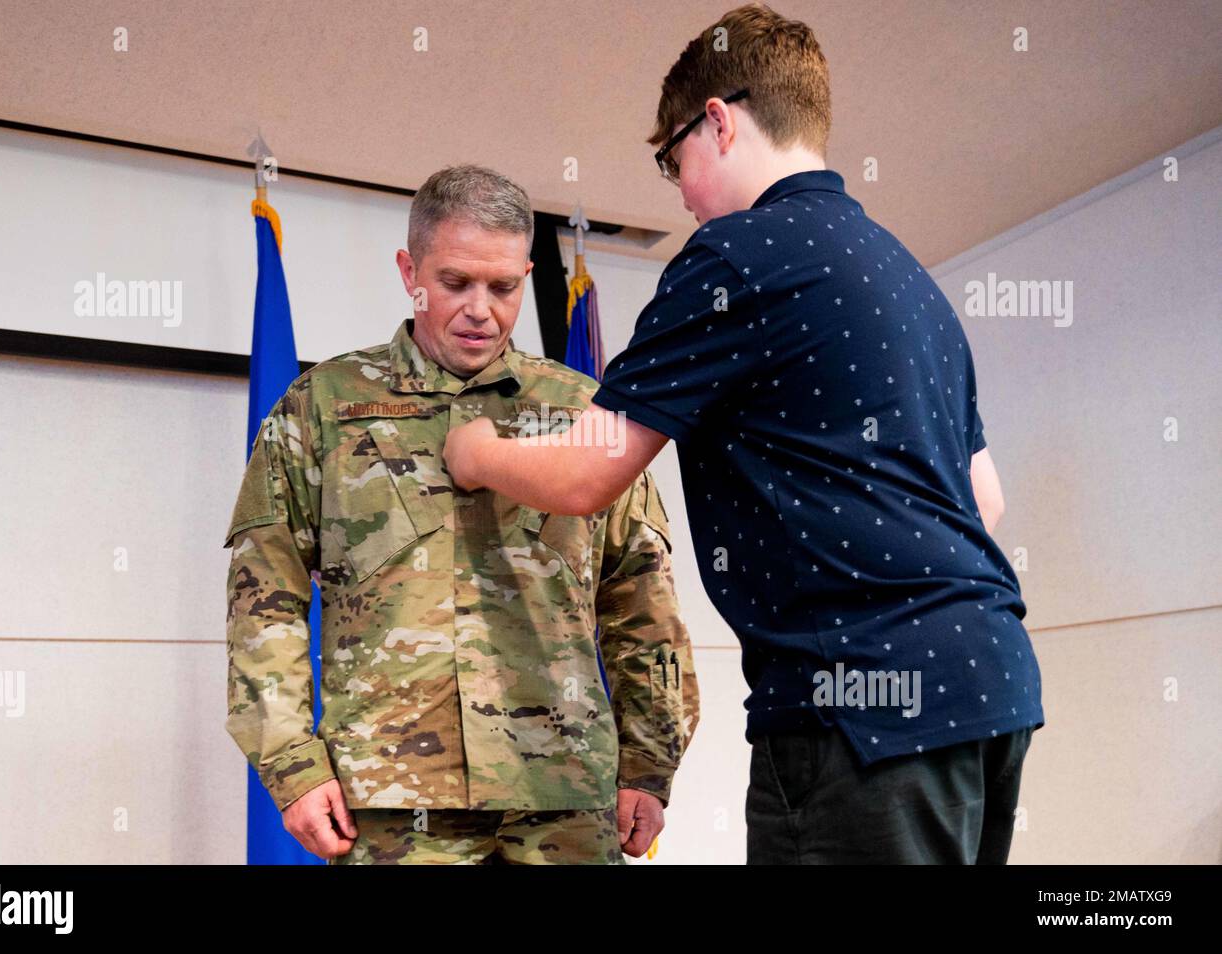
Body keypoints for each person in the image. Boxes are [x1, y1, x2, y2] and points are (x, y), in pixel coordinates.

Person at [444, 5, 1044, 864]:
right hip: (992, 687)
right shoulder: (910, 278)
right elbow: (984, 500)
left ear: (718, 122)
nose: (681, 191)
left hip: (858, 706)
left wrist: (474, 452)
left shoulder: (733, 257)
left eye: (673, 159)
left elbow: (584, 474)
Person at [223, 164, 699, 865]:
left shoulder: (584, 417)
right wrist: (291, 761)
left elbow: (641, 597)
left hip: (564, 796)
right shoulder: (320, 409)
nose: (481, 309)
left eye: (504, 287)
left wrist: (650, 762)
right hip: (393, 804)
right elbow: (265, 598)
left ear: (526, 273)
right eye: (454, 284)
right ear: (409, 270)